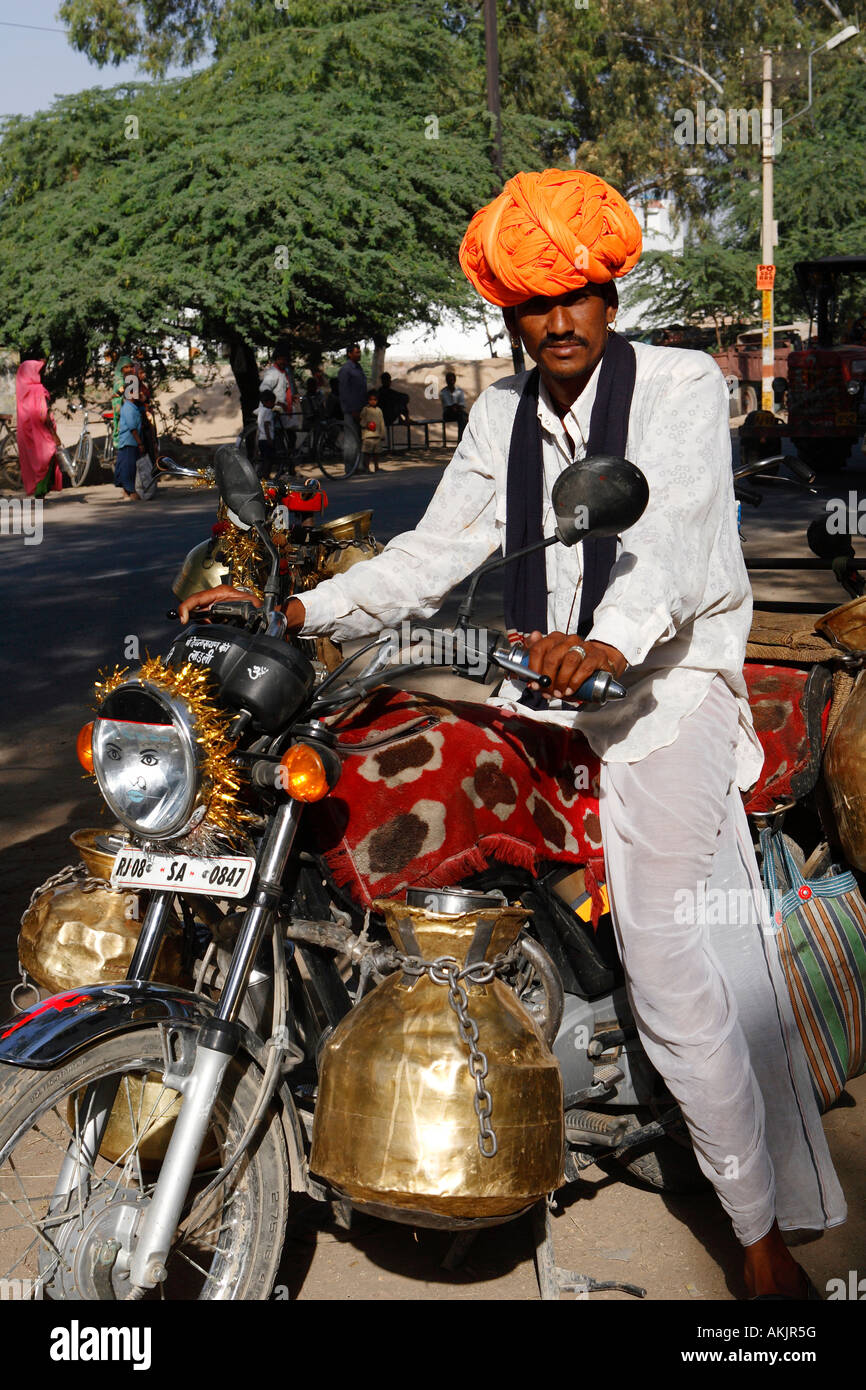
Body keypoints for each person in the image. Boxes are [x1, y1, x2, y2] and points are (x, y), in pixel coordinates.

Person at [180, 168, 845, 1298]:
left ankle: (754, 1234)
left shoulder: (680, 384)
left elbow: (674, 541)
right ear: (506, 314)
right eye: (532, 305)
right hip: (534, 691)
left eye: (576, 294)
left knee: (670, 959)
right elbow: (434, 556)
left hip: (663, 699)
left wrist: (608, 641)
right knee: (378, 777)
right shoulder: (498, 411)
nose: (556, 320)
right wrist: (303, 609)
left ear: (608, 293)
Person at [15, 354, 64, 497]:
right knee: (46, 459)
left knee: (34, 461)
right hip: (42, 432)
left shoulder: (22, 389)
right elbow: (44, 414)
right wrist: (54, 434)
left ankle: (38, 491)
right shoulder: (38, 390)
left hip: (27, 433)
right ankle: (40, 493)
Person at [337, 344, 366, 474]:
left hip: (361, 410)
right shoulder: (346, 370)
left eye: (359, 352)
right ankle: (349, 468)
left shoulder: (358, 368)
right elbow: (344, 392)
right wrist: (351, 409)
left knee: (359, 438)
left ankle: (359, 466)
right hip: (351, 410)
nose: (359, 354)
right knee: (350, 440)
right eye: (356, 352)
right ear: (349, 354)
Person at [115, 382, 144, 501]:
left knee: (127, 466)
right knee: (129, 467)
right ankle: (131, 491)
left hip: (130, 442)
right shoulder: (128, 408)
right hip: (129, 442)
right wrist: (140, 443)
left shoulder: (133, 406)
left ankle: (127, 491)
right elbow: (132, 428)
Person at [359, 389, 386, 471]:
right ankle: (366, 467)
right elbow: (361, 420)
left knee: (376, 453)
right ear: (368, 400)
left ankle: (376, 467)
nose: (373, 401)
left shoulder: (379, 410)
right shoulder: (365, 409)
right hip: (367, 436)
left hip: (377, 436)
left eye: (375, 400)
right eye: (371, 399)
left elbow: (382, 423)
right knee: (367, 453)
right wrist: (366, 425)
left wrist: (383, 434)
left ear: (377, 400)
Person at [439, 370, 468, 441]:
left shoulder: (459, 391)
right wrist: (455, 406)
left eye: (452, 380)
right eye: (449, 380)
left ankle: (461, 439)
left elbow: (462, 404)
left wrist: (456, 407)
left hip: (458, 412)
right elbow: (447, 405)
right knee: (463, 416)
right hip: (448, 414)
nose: (450, 382)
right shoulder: (443, 392)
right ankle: (461, 440)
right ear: (446, 381)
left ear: (454, 380)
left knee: (463, 417)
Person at [256, 388, 277, 479]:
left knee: (264, 459)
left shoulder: (260, 411)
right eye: (273, 402)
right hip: (266, 439)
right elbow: (266, 425)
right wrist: (269, 439)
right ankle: (266, 477)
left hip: (261, 439)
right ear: (268, 402)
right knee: (269, 460)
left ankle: (263, 476)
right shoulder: (268, 411)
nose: (273, 404)